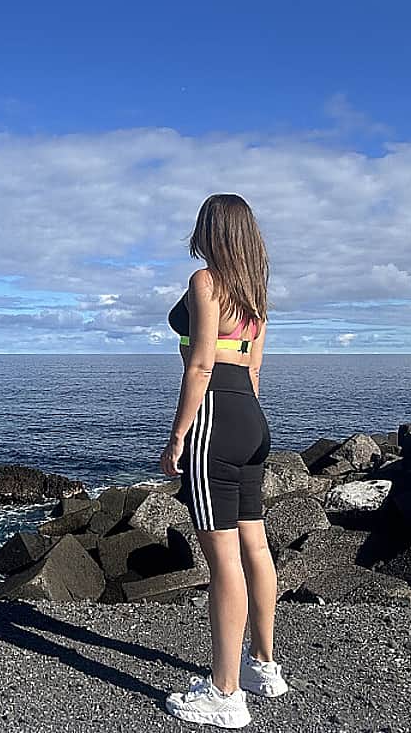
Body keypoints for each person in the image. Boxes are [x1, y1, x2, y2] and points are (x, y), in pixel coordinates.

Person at [160, 193, 285, 729]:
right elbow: (253, 371)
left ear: (209, 230)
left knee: (224, 561)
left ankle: (225, 693)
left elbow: (202, 365)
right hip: (252, 420)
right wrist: (245, 426)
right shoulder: (256, 296)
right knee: (255, 544)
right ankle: (263, 665)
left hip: (215, 420)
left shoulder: (206, 282)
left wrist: (178, 437)